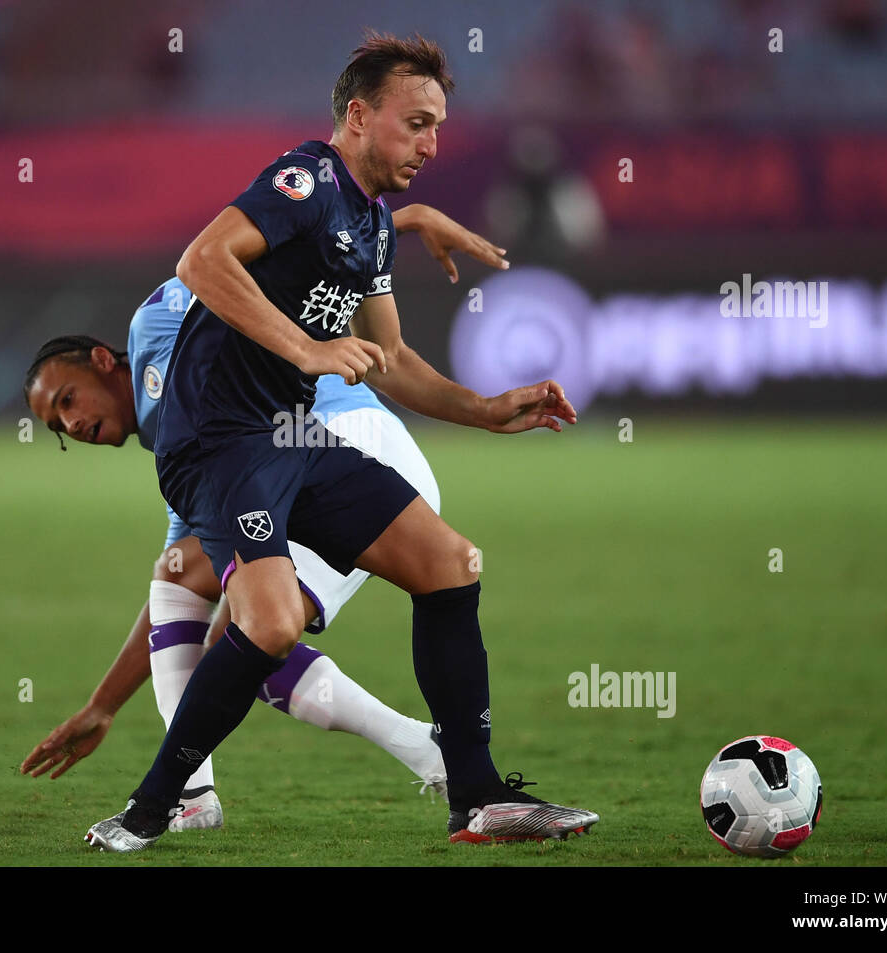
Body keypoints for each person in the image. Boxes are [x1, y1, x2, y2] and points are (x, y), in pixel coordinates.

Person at [91, 31, 598, 852]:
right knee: (273, 623)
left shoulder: (365, 222)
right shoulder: (305, 180)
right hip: (218, 445)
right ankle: (149, 810)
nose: (431, 144)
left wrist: (485, 408)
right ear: (358, 116)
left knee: (449, 563)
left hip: (290, 436)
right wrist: (308, 349)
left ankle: (476, 798)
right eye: (416, 123)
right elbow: (202, 260)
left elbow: (391, 358)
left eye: (437, 127)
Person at [20, 202, 511, 832]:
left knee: (250, 631)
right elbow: (183, 589)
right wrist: (102, 707)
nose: (70, 423)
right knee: (198, 595)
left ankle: (188, 796)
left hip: (339, 442)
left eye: (65, 400)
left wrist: (399, 220)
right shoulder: (179, 442)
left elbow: (262, 254)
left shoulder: (154, 327)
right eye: (55, 426)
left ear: (102, 361)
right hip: (299, 457)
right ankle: (201, 792)